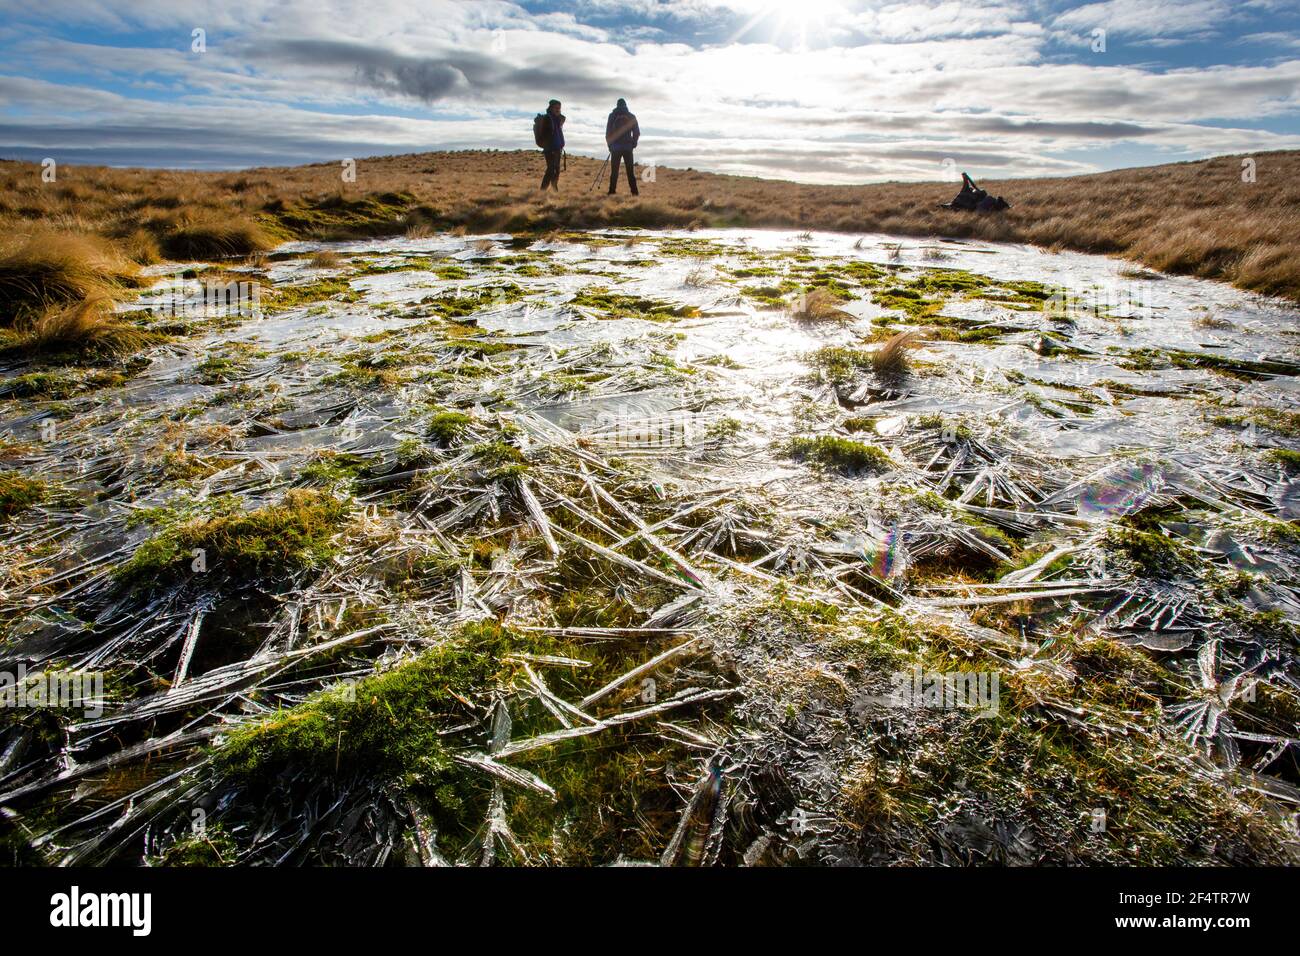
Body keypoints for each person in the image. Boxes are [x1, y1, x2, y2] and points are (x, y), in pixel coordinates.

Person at [605, 98, 640, 195]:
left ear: (617, 105)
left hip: (615, 148)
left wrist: (610, 145)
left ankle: (612, 192)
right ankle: (634, 193)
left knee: (614, 172)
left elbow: (608, 132)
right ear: (625, 105)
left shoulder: (612, 115)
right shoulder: (631, 116)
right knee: (630, 172)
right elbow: (636, 132)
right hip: (628, 148)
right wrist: (633, 144)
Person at [538, 99, 565, 192]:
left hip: (557, 149)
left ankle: (554, 188)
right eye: (556, 108)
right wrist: (549, 144)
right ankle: (543, 190)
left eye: (559, 108)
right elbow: (546, 134)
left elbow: (562, 120)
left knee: (556, 170)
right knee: (551, 170)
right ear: (551, 108)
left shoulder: (557, 119)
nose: (558, 109)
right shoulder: (548, 118)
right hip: (550, 149)